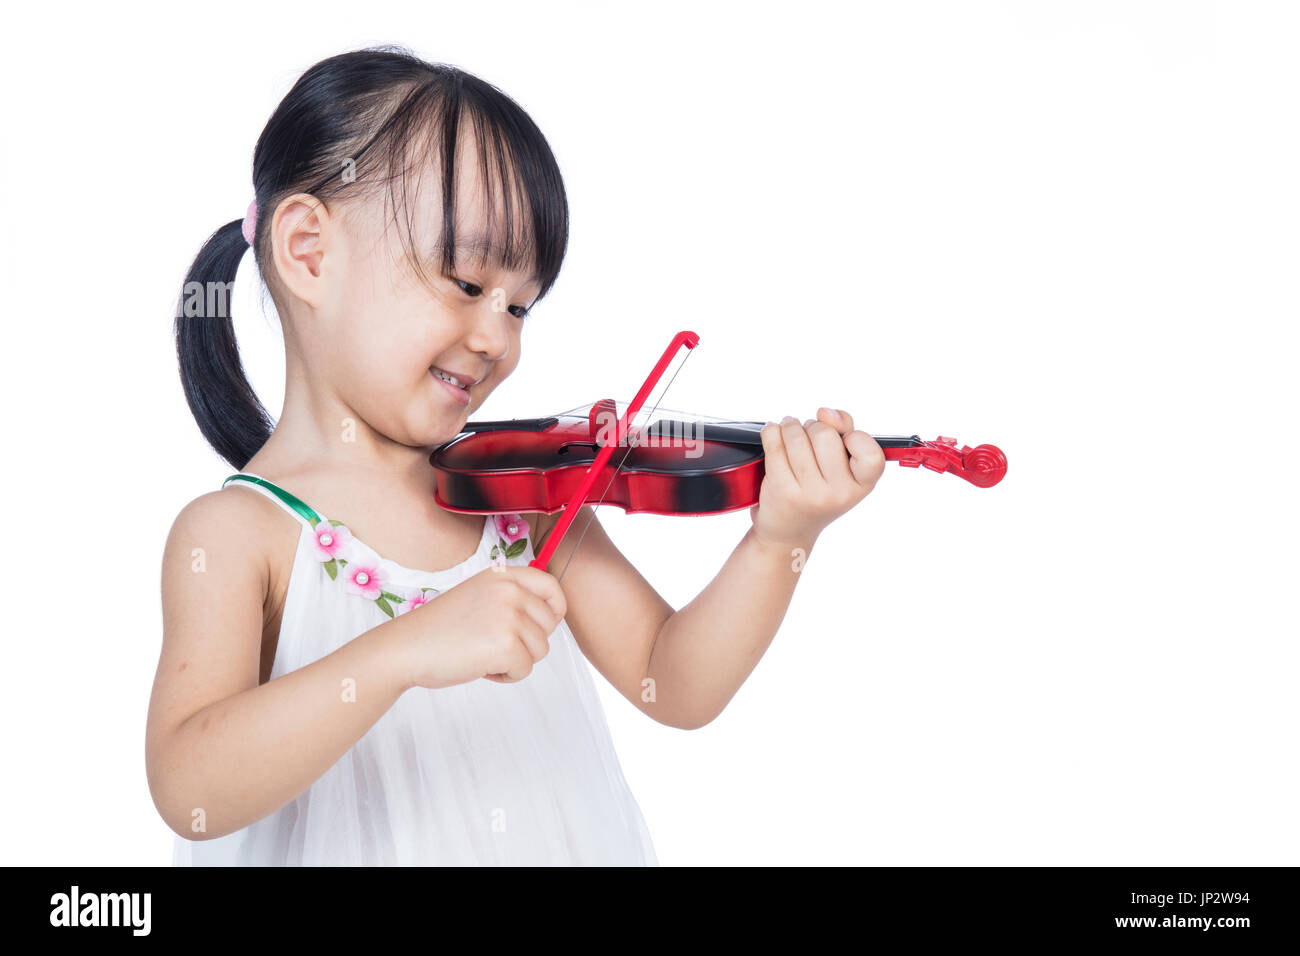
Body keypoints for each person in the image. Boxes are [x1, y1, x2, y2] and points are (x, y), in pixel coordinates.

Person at [146, 46, 886, 865]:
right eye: (465, 285)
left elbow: (673, 683)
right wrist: (403, 651)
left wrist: (780, 540)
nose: (497, 336)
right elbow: (193, 793)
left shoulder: (519, 502)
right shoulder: (235, 532)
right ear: (310, 252)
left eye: (522, 306)